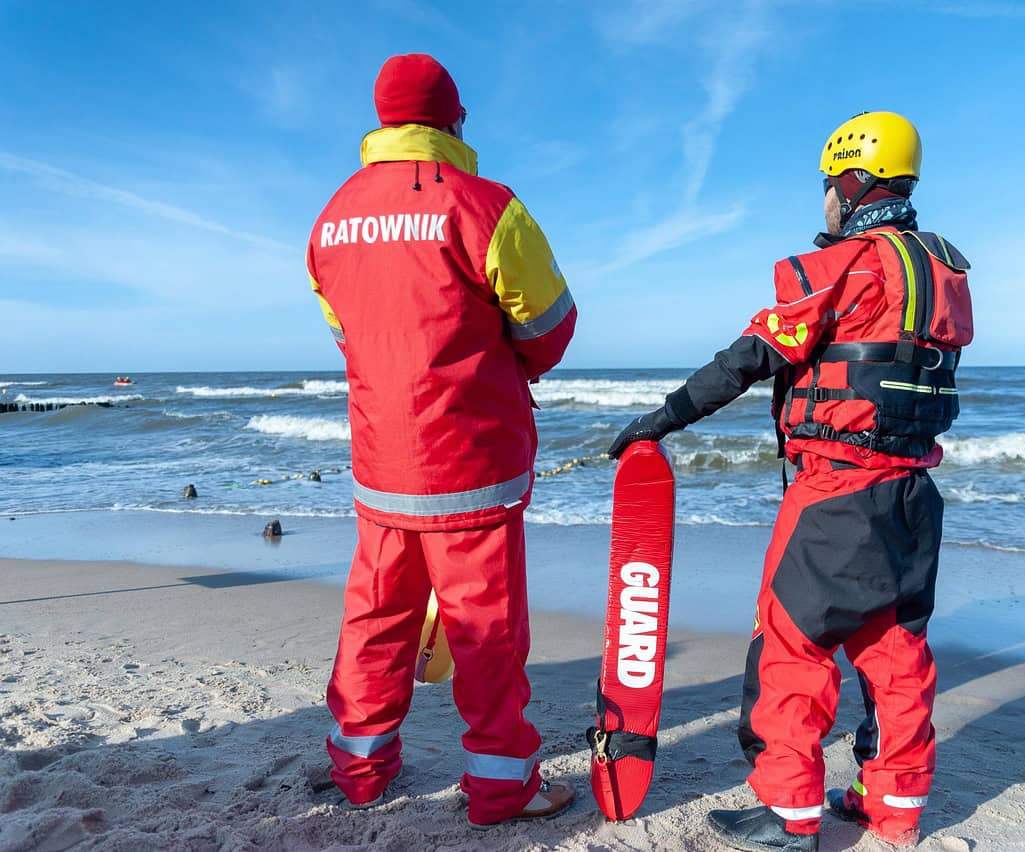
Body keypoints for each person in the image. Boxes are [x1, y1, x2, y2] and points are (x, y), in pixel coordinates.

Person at [609, 111, 973, 850]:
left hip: (837, 491)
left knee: (791, 645)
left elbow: (752, 355)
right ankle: (893, 808)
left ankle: (788, 813)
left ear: (853, 180)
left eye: (829, 187)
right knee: (894, 648)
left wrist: (660, 419)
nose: (825, 203)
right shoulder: (944, 272)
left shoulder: (847, 265)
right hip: (912, 495)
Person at [306, 53, 577, 825]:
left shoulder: (332, 217)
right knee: (484, 632)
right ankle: (501, 788)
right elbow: (551, 328)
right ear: (454, 120)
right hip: (471, 464)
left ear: (382, 120)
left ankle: (358, 770)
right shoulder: (486, 205)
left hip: (383, 463)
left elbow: (348, 333)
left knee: (375, 620)